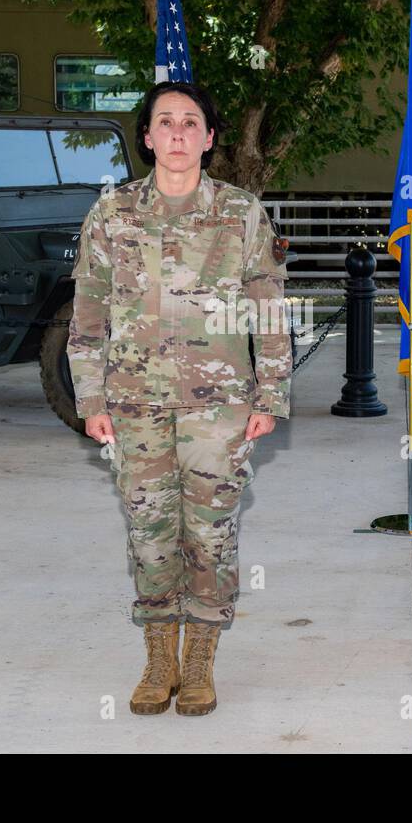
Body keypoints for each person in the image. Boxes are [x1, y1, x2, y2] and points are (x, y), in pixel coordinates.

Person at [67, 81, 291, 717]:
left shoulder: (241, 213)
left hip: (218, 407)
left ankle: (200, 657)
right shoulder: (111, 215)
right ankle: (159, 651)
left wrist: (270, 392)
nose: (177, 133)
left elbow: (268, 310)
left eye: (190, 122)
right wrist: (90, 400)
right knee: (149, 532)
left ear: (210, 138)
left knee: (212, 534)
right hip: (133, 403)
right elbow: (85, 314)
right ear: (146, 137)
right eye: (164, 122)